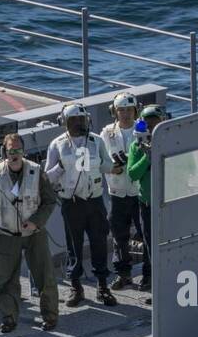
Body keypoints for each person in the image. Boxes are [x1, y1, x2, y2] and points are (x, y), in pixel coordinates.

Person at [45, 102, 117, 308]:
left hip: (94, 201)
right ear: (64, 122)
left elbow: (108, 165)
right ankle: (76, 286)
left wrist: (114, 167)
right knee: (73, 246)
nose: (78, 123)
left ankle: (103, 286)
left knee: (99, 243)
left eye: (81, 119)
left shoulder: (96, 141)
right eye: (73, 120)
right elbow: (47, 178)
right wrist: (60, 167)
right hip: (72, 202)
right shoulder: (57, 144)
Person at [0, 132, 60, 332]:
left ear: (23, 151)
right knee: (6, 279)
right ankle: (9, 317)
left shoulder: (36, 171)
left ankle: (50, 316)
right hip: (7, 234)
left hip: (34, 234)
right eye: (11, 151)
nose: (14, 155)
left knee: (44, 276)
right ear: (5, 152)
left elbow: (49, 201)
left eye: (18, 150)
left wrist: (36, 222)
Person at [101, 91, 148, 291]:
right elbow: (99, 161)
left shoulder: (143, 130)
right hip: (117, 192)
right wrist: (114, 167)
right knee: (119, 236)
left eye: (129, 110)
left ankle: (148, 275)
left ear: (135, 110)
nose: (126, 114)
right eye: (121, 110)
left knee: (146, 236)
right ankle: (123, 274)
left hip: (139, 193)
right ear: (115, 112)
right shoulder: (106, 133)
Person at [126, 104, 166, 295]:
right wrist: (147, 157)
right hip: (148, 204)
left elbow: (188, 168)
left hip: (167, 203)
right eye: (147, 123)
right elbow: (132, 174)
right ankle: (151, 279)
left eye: (154, 122)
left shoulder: (172, 141)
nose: (150, 127)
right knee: (150, 244)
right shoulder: (136, 146)